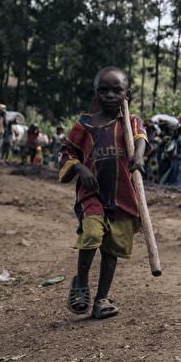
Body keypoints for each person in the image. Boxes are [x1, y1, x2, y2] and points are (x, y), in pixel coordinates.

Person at [57, 67, 148, 319]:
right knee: (92, 233)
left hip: (122, 196)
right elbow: (67, 152)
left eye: (117, 90)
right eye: (104, 90)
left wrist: (138, 157)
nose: (110, 95)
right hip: (92, 194)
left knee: (112, 249)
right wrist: (79, 168)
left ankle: (101, 299)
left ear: (126, 93)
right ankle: (81, 282)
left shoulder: (130, 122)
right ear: (95, 93)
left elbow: (141, 137)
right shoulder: (84, 124)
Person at [160, 122, 181, 189]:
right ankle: (173, 184)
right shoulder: (175, 136)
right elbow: (171, 146)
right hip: (175, 157)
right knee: (174, 172)